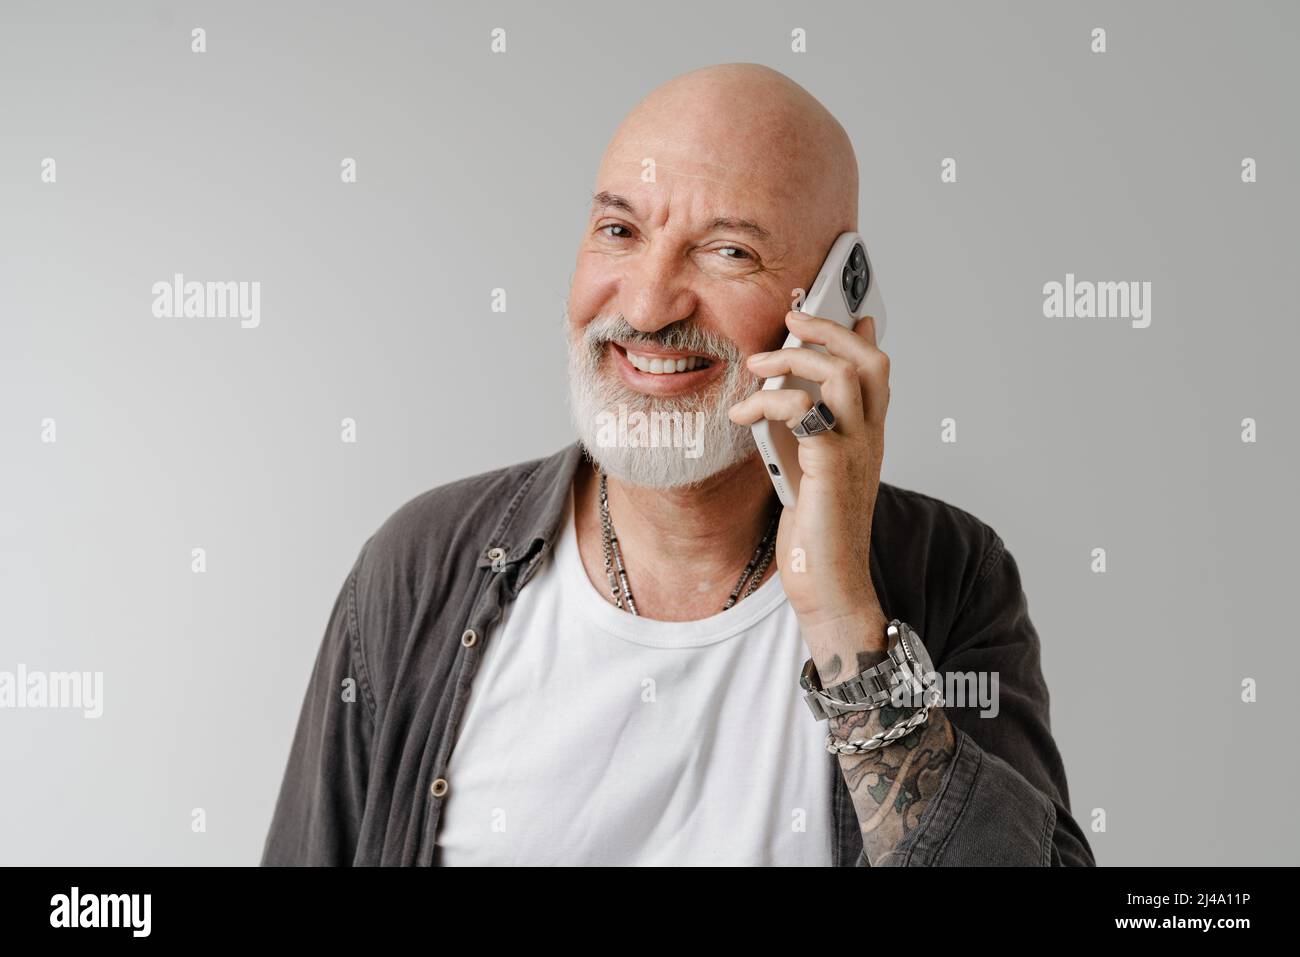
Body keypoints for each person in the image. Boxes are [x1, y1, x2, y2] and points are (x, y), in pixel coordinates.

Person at [262, 62, 1094, 866]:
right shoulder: (419, 565)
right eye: (619, 231)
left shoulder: (948, 575)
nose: (648, 304)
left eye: (728, 251)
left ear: (833, 307)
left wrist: (843, 607)